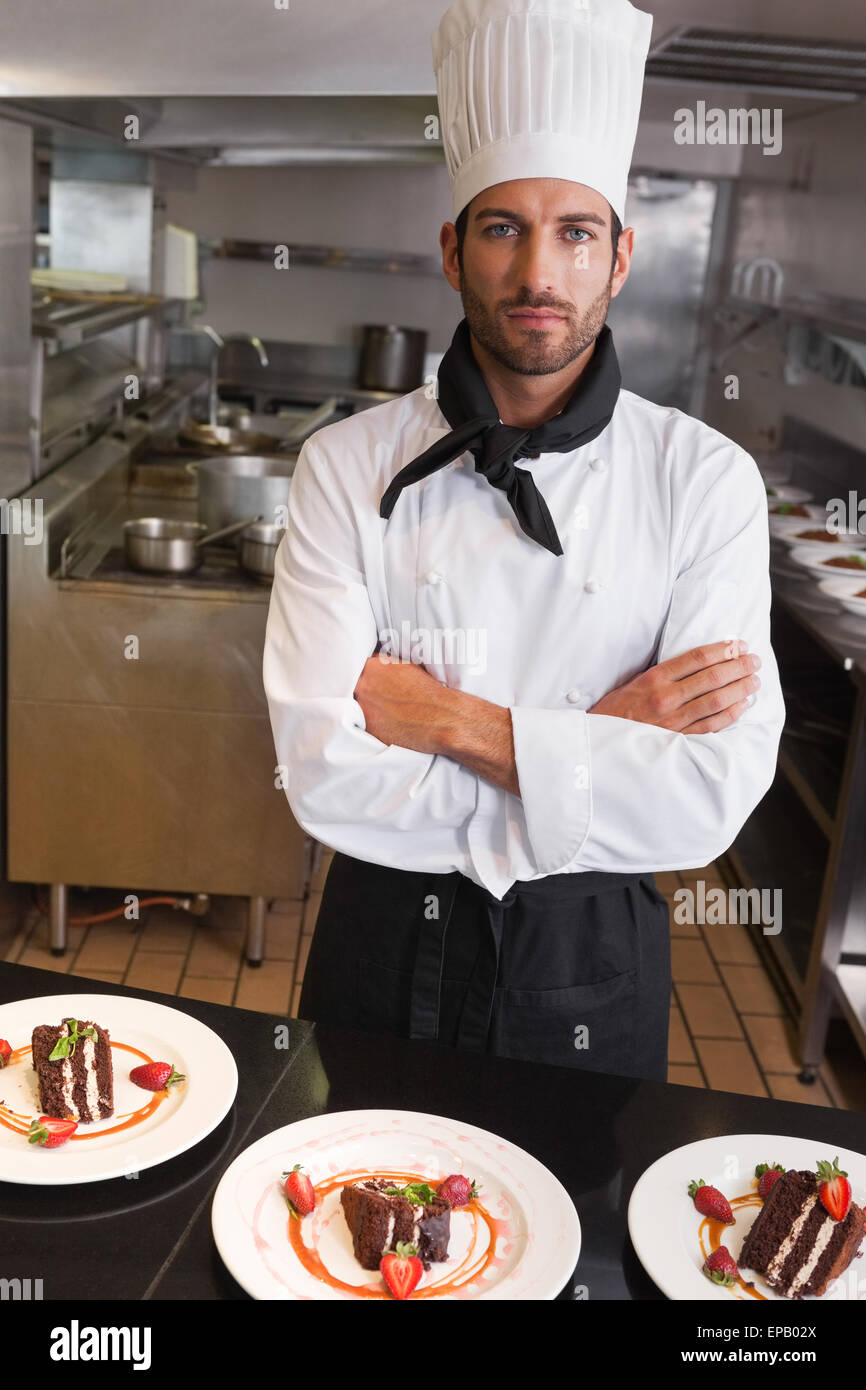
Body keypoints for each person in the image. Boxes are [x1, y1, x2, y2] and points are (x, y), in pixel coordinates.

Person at [262, 0, 786, 1081]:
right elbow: (321, 776)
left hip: (592, 963)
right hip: (378, 945)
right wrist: (597, 740)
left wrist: (442, 719)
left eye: (574, 232)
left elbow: (705, 797)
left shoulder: (703, 483)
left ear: (619, 257)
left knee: (580, 1236)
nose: (538, 274)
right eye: (502, 228)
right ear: (452, 250)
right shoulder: (345, 467)